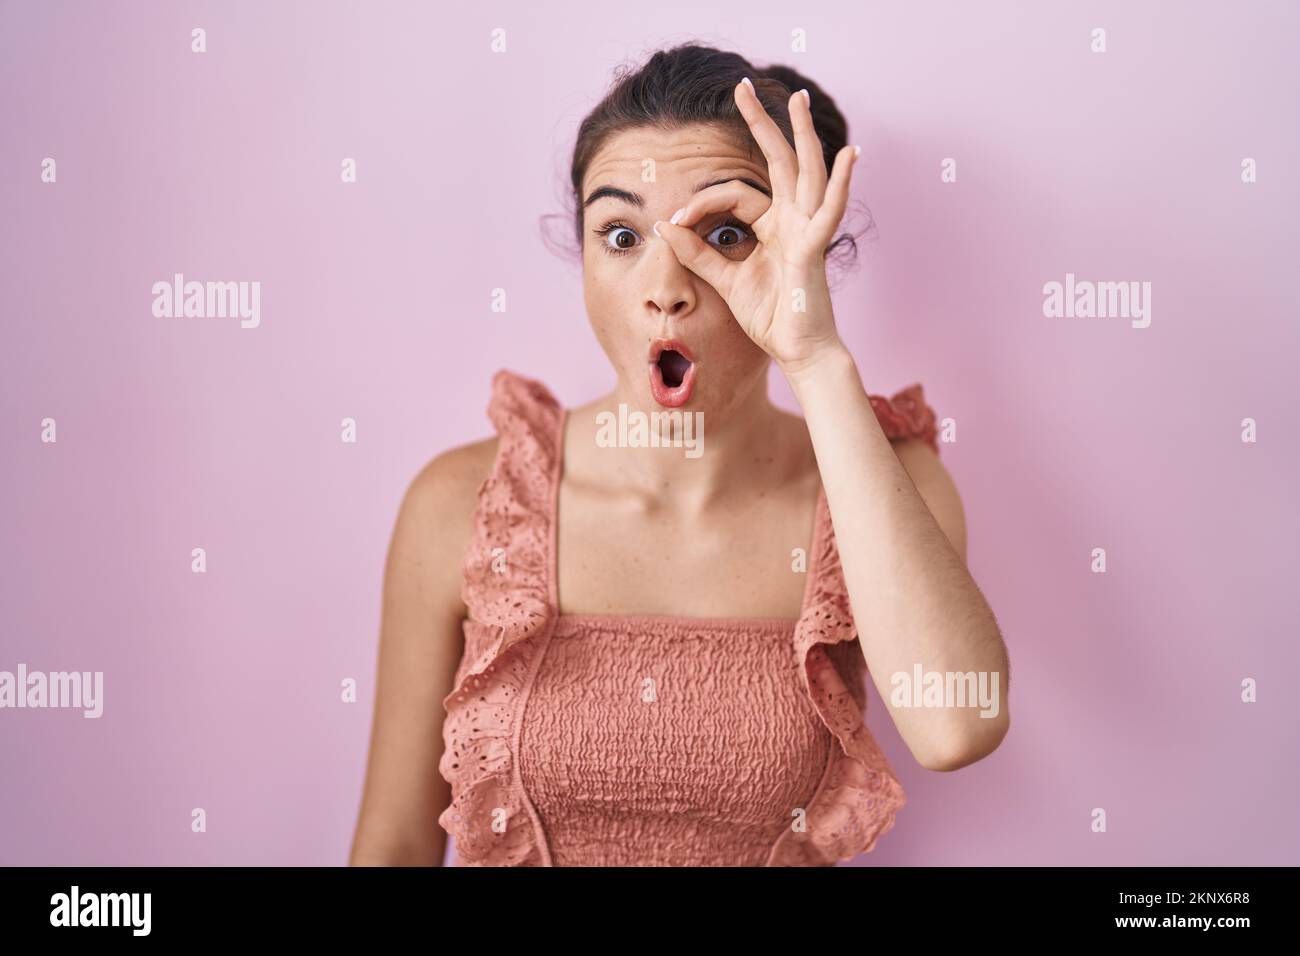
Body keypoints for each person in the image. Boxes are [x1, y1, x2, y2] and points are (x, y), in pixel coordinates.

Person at [350, 42, 1010, 867]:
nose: (666, 285)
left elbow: (956, 726)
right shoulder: (462, 502)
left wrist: (815, 357)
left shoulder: (889, 487)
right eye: (621, 234)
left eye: (727, 234)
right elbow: (394, 843)